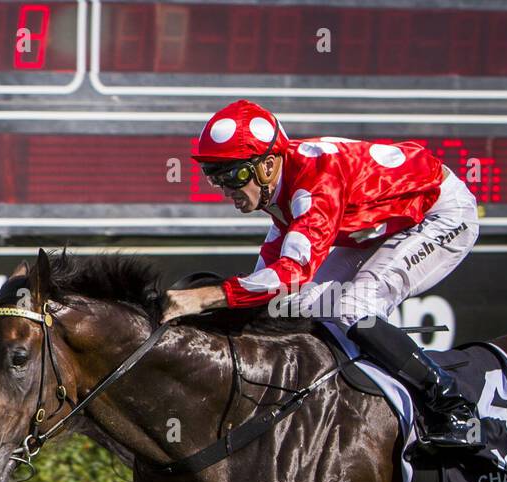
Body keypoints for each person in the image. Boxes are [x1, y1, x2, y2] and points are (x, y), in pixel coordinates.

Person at [164, 99, 482, 450]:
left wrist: (200, 297)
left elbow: (290, 274)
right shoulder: (281, 189)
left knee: (352, 307)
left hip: (440, 213)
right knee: (293, 308)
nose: (226, 189)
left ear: (269, 165)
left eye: (234, 175)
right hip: (383, 225)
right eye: (215, 176)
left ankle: (452, 403)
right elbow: (271, 289)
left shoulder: (314, 184)